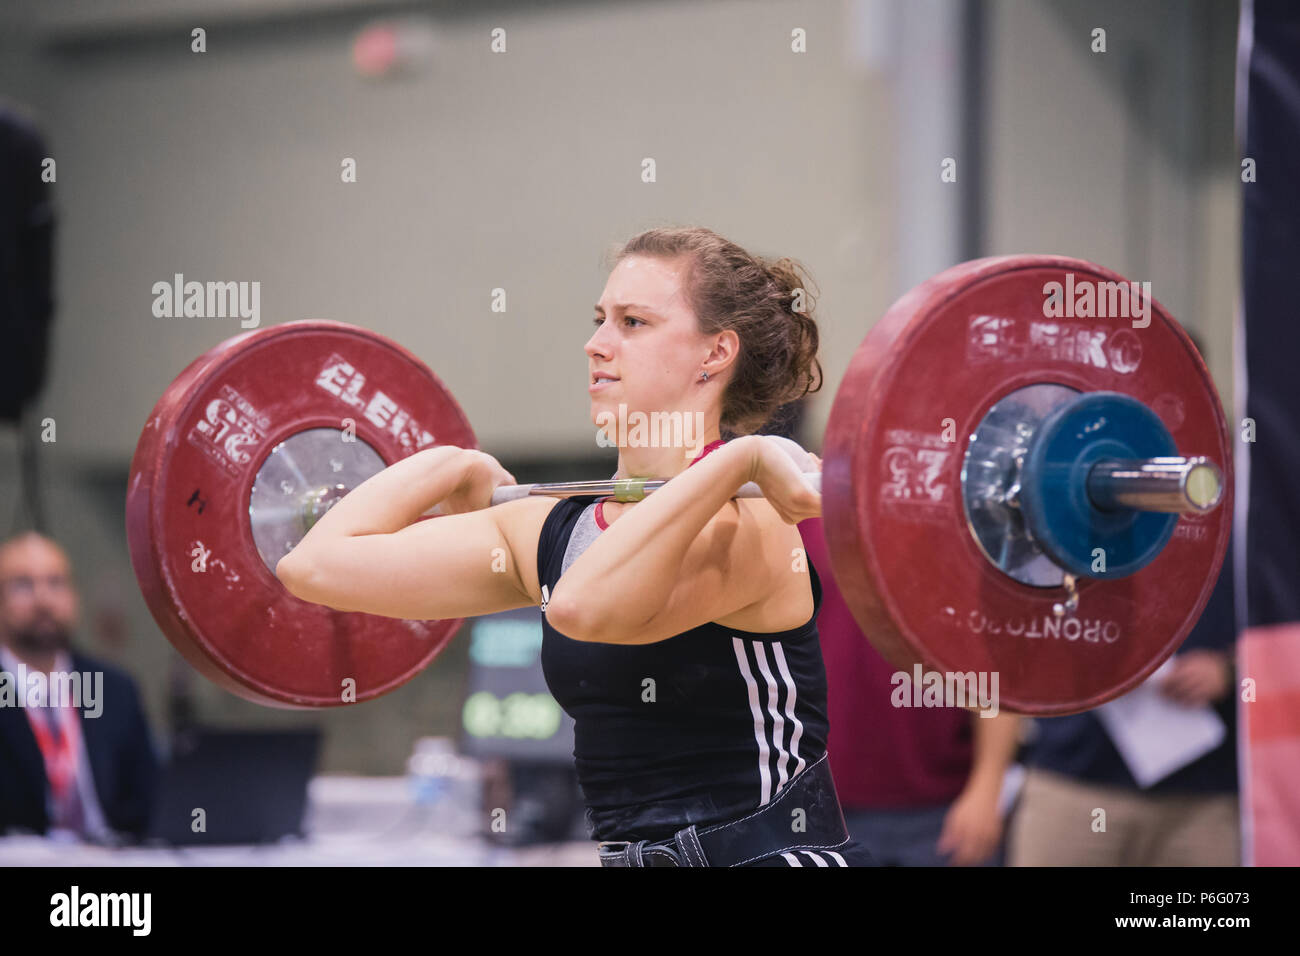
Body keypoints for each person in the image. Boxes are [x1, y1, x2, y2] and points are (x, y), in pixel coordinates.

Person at [278, 226, 873, 866]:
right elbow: (313, 564)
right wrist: (450, 464)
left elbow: (581, 609)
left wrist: (742, 460)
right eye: (599, 320)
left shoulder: (748, 528)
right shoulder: (557, 526)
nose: (596, 344)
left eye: (633, 322)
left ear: (716, 353)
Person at [799, 517, 1021, 866]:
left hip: (942, 807)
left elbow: (994, 663)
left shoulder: (955, 523)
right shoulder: (800, 519)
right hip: (823, 803)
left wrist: (987, 785)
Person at [0, 531, 159, 843]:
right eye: (23, 585)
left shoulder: (115, 689)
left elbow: (148, 801)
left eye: (56, 583)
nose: (43, 599)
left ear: (74, 597)